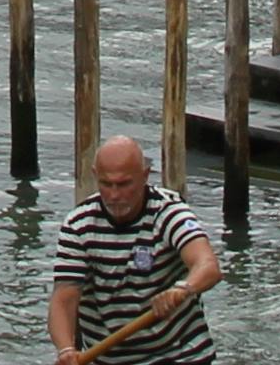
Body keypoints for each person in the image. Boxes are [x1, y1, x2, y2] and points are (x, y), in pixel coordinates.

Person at [49, 130, 224, 364]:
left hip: (180, 355)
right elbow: (64, 299)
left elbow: (208, 266)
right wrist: (66, 350)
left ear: (144, 176)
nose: (114, 195)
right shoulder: (78, 226)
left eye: (123, 184)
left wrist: (182, 289)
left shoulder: (169, 212)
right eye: (106, 184)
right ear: (95, 176)